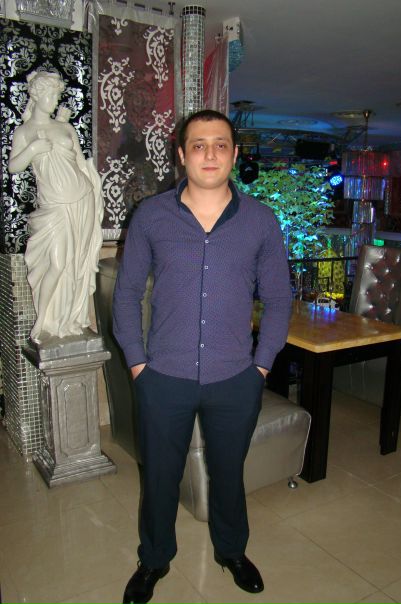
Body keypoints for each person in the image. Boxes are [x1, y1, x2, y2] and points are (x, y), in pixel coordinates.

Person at [113, 109, 292, 604]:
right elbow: (126, 294)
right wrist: (138, 363)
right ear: (182, 155)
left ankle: (232, 551)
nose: (209, 153)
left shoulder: (260, 220)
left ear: (234, 155)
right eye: (198, 144)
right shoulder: (151, 215)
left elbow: (279, 298)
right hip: (162, 375)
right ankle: (154, 560)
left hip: (236, 377)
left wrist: (261, 364)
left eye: (220, 144)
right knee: (160, 477)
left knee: (229, 473)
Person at [8, 70, 103, 343]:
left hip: (82, 199)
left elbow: (81, 163)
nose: (54, 100)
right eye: (50, 95)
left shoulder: (65, 127)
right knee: (58, 263)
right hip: (55, 207)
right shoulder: (25, 132)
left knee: (77, 262)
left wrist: (96, 190)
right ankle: (43, 322)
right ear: (37, 96)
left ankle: (72, 319)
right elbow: (13, 167)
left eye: (56, 95)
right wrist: (33, 149)